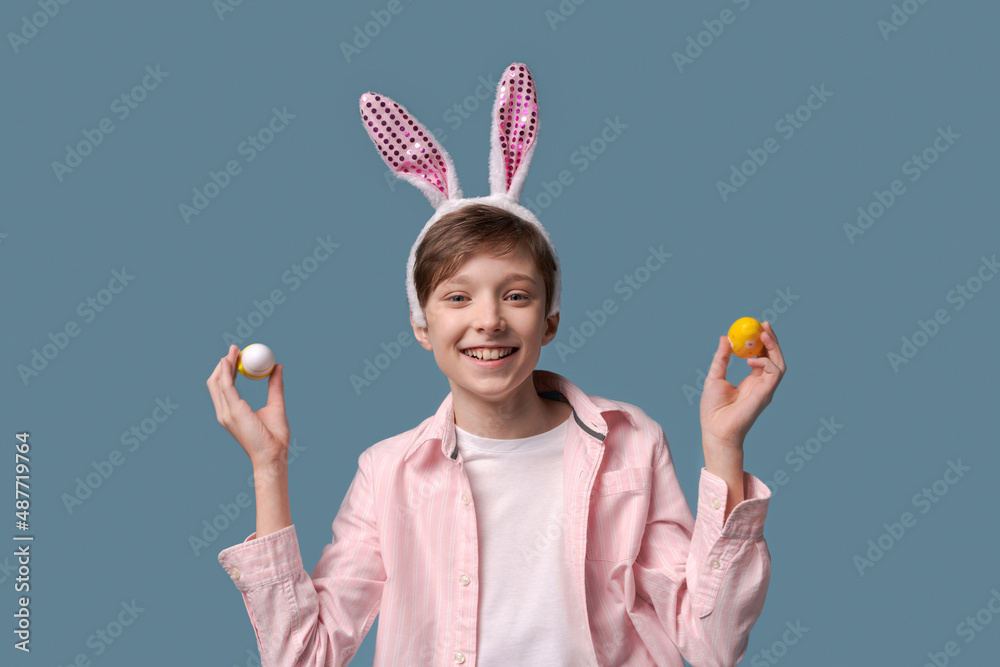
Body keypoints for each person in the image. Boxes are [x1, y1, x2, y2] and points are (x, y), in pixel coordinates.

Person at [208, 62, 786, 667]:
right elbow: (304, 656)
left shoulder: (632, 442)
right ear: (422, 327)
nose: (489, 319)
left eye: (516, 294)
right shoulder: (387, 475)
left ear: (551, 319)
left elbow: (713, 645)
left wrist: (724, 450)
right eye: (458, 297)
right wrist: (269, 466)